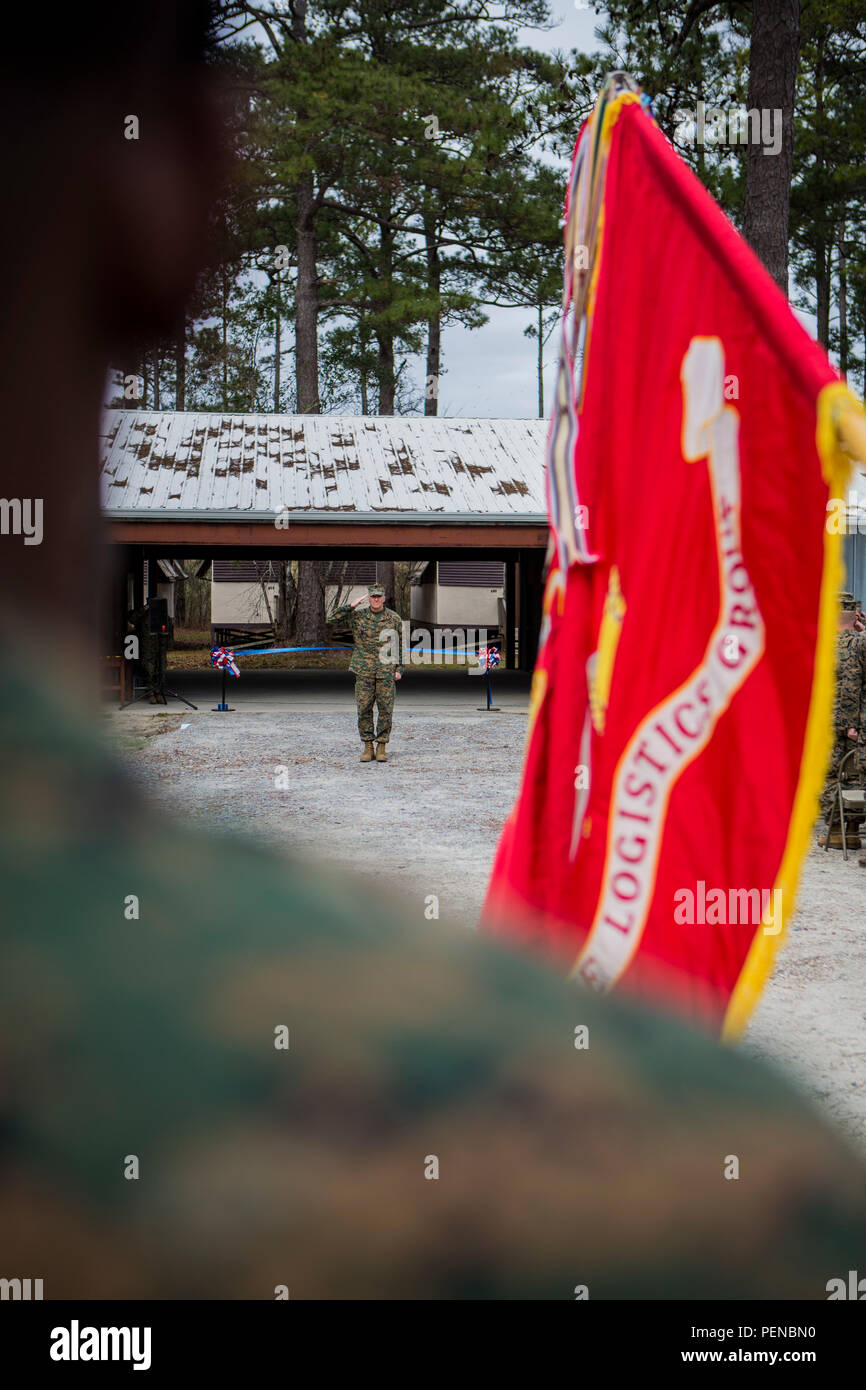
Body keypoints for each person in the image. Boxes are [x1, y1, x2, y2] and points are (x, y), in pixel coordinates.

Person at [3, 0, 866, 1301]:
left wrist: (398, 672)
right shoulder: (669, 1180)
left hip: (390, 693)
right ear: (182, 192)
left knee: (377, 709)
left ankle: (374, 735)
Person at [327, 582, 402, 762]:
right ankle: (368, 746)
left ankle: (381, 745)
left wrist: (400, 668)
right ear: (368, 598)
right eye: (373, 596)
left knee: (386, 710)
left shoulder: (394, 618)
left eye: (379, 596)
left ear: (384, 598)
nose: (376, 599)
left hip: (386, 671)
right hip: (363, 670)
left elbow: (401, 645)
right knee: (364, 710)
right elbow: (331, 620)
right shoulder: (357, 616)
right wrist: (350, 606)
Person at [819, 596, 866, 841]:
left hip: (827, 722)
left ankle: (835, 831)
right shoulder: (862, 643)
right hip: (858, 721)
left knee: (829, 775)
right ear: (855, 616)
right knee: (856, 774)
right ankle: (853, 832)